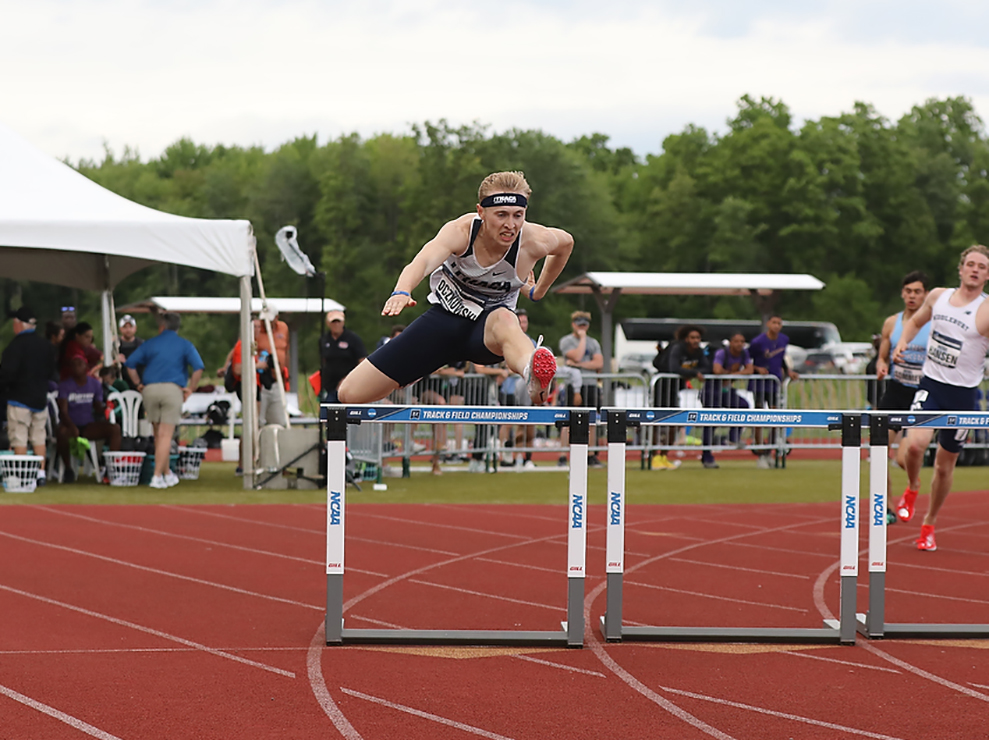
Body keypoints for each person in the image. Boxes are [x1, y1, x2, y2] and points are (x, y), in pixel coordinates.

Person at [336, 171, 572, 409]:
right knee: (349, 393)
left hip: (488, 332)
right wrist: (402, 291)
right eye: (501, 215)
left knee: (505, 319)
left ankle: (532, 374)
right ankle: (409, 375)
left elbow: (566, 244)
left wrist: (538, 291)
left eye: (518, 215)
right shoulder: (460, 232)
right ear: (481, 212)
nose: (510, 225)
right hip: (445, 322)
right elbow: (423, 261)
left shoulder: (534, 240)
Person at [892, 246, 989, 552]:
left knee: (945, 468)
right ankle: (912, 486)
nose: (974, 270)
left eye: (981, 267)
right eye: (970, 264)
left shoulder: (986, 310)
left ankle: (929, 523)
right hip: (931, 386)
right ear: (960, 269)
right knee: (916, 445)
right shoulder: (938, 297)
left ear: (987, 275)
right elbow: (915, 321)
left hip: (964, 396)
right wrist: (903, 343)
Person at [124, 312, 204, 489]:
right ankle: (157, 476)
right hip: (172, 389)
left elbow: (130, 364)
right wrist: (191, 388)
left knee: (158, 434)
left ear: (162, 326)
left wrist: (138, 384)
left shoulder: (150, 343)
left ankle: (167, 473)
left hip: (150, 389)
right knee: (166, 435)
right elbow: (198, 367)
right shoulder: (185, 344)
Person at [875, 271, 930, 487]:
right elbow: (882, 358)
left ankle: (913, 483)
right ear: (902, 293)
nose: (912, 296)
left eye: (917, 292)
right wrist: (881, 367)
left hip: (921, 394)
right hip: (896, 391)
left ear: (926, 295)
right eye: (908, 291)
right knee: (878, 453)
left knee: (902, 458)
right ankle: (886, 507)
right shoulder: (891, 323)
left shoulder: (934, 324)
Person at [0, 307, 56, 485]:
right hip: (40, 399)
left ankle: (21, 474)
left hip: (19, 399)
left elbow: (6, 374)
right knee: (39, 436)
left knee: (19, 436)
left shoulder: (15, 346)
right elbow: (51, 372)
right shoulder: (46, 346)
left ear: (19, 324)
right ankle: (40, 474)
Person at [57, 355, 122, 483]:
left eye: (79, 364)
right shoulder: (65, 385)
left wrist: (107, 407)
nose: (76, 368)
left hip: (87, 425)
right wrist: (71, 426)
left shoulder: (94, 384)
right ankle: (68, 469)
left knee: (115, 429)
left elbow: (97, 406)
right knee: (62, 433)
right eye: (73, 365)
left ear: (86, 367)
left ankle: (110, 469)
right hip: (69, 424)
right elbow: (63, 412)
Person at [749, 315, 800, 469]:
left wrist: (788, 370)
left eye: (779, 323)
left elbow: (781, 358)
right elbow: (748, 359)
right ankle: (759, 452)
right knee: (759, 417)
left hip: (774, 382)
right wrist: (757, 369)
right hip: (759, 383)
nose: (776, 326)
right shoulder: (758, 342)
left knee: (774, 417)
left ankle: (769, 450)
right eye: (774, 323)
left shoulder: (783, 340)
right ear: (768, 324)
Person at [559, 310, 604, 467]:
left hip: (590, 385)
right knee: (569, 420)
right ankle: (563, 455)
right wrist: (582, 340)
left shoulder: (594, 342)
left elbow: (599, 363)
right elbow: (576, 355)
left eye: (585, 325)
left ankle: (590, 455)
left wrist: (578, 365)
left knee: (591, 420)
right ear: (573, 325)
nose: (582, 329)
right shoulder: (567, 341)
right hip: (574, 385)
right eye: (580, 326)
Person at [665, 325, 714, 468]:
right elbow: (674, 368)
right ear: (686, 339)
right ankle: (655, 456)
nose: (696, 340)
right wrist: (694, 373)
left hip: (675, 388)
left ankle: (663, 455)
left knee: (673, 422)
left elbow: (707, 367)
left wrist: (695, 372)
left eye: (698, 338)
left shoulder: (698, 352)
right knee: (659, 421)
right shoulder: (677, 348)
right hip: (663, 385)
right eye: (692, 337)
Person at [704, 331, 754, 460]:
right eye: (736, 341)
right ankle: (706, 455)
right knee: (710, 422)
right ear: (730, 342)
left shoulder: (744, 353)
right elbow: (717, 370)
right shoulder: (722, 353)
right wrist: (731, 373)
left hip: (726, 390)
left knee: (743, 406)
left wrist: (731, 375)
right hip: (712, 390)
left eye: (742, 342)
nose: (739, 344)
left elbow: (749, 369)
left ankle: (733, 437)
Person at [320, 310, 367, 403]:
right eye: (333, 322)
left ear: (343, 322)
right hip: (329, 386)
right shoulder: (324, 339)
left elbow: (362, 361)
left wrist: (348, 379)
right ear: (328, 323)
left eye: (339, 322)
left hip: (348, 385)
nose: (336, 325)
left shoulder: (353, 339)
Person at [254, 310, 290, 426]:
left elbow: (286, 350)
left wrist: (286, 375)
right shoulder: (257, 330)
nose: (266, 323)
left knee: (280, 421)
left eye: (269, 320)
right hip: (261, 381)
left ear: (276, 318)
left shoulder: (283, 328)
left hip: (277, 381)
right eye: (264, 320)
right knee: (258, 421)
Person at [117, 314, 144, 391]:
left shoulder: (141, 344)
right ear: (120, 329)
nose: (128, 330)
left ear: (135, 328)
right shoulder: (116, 345)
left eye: (130, 327)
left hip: (138, 383)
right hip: (121, 383)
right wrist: (115, 361)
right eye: (125, 327)